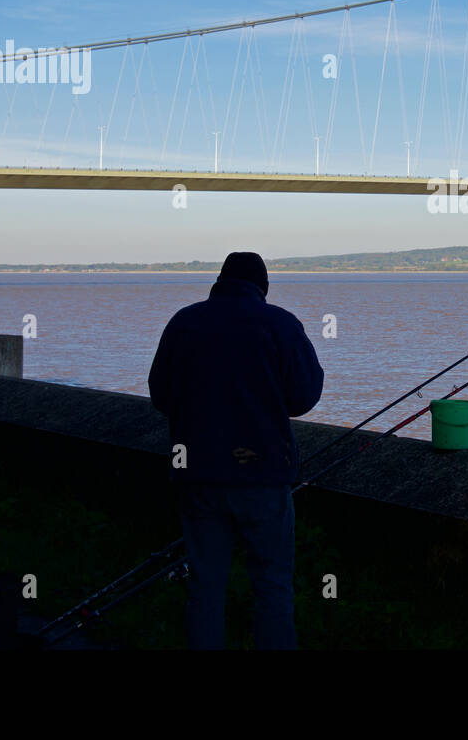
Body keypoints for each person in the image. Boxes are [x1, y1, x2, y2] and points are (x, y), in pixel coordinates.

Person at [148, 251, 324, 649]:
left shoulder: (184, 322)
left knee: (205, 586)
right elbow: (304, 397)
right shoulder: (281, 323)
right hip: (264, 476)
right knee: (272, 585)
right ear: (263, 287)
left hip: (198, 475)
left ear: (219, 281)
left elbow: (161, 394)